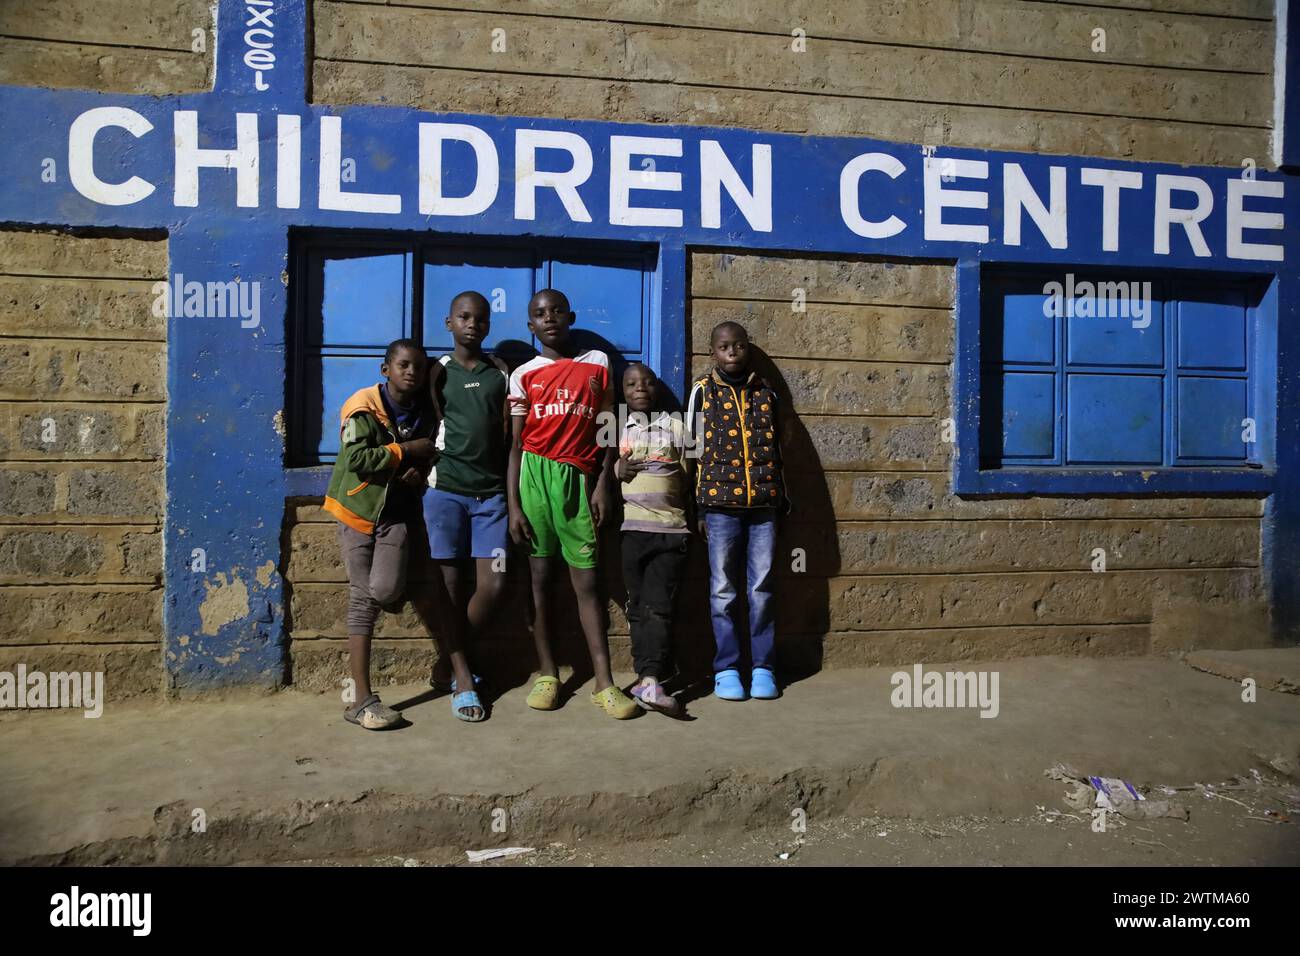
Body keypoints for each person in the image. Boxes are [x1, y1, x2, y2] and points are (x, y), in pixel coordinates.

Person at [507, 288, 637, 719]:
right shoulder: (523, 374)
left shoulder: (597, 364)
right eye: (540, 314)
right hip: (533, 479)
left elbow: (606, 428)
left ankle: (605, 681)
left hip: (578, 482)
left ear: (570, 317)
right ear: (530, 325)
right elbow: (515, 446)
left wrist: (603, 482)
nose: (550, 319)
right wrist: (514, 506)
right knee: (540, 582)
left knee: (588, 584)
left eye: (557, 311)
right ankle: (548, 673)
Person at [323, 338, 442, 729]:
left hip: (396, 515)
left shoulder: (425, 411)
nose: (411, 372)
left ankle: (373, 605)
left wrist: (417, 470)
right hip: (358, 513)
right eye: (403, 365)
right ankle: (360, 700)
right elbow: (357, 459)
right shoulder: (362, 407)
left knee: (386, 591)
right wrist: (405, 452)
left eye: (418, 367)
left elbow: (430, 454)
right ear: (385, 369)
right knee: (363, 601)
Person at [685, 321, 789, 702]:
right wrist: (697, 508)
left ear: (748, 349)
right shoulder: (702, 392)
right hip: (719, 508)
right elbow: (691, 453)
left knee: (761, 589)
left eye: (740, 346)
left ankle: (763, 667)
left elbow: (780, 449)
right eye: (724, 346)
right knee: (723, 591)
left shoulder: (767, 393)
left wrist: (782, 502)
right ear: (712, 352)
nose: (732, 352)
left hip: (764, 506)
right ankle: (726, 669)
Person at [423, 291, 511, 722]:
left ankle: (447, 663)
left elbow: (509, 434)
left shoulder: (500, 372)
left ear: (488, 325)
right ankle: (462, 678)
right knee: (450, 589)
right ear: (449, 323)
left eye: (479, 318)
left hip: (491, 497)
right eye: (464, 317)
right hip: (446, 494)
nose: (472, 324)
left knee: (492, 585)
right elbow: (426, 419)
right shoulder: (437, 371)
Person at [615, 362, 690, 716]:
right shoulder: (615, 427)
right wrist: (617, 469)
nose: (640, 388)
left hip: (671, 531)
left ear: (656, 388)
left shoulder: (676, 426)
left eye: (647, 383)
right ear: (623, 391)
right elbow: (604, 471)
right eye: (631, 384)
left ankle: (652, 677)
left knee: (659, 606)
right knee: (638, 606)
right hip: (633, 532)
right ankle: (648, 674)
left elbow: (693, 474)